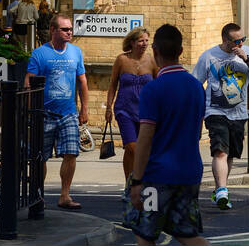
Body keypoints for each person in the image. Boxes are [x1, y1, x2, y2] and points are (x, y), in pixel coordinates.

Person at [123, 24, 209, 246]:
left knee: (145, 233)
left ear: (155, 50)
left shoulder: (154, 89)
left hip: (156, 178)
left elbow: (145, 138)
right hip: (189, 173)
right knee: (186, 232)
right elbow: (198, 132)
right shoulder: (196, 87)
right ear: (181, 51)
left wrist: (137, 180)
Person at [193, 22, 249, 210]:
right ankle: (222, 192)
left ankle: (219, 189)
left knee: (231, 154)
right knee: (220, 151)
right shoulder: (209, 56)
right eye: (236, 41)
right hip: (215, 111)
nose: (240, 44)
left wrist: (248, 59)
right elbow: (195, 83)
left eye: (242, 40)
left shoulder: (248, 52)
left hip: (239, 113)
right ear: (225, 40)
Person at [24, 13, 89, 210]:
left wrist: (84, 109)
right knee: (40, 157)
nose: (70, 32)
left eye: (70, 29)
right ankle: (38, 195)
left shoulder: (75, 52)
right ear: (53, 30)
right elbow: (28, 81)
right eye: (65, 29)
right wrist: (30, 109)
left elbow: (83, 81)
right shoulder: (39, 54)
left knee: (71, 153)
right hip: (44, 114)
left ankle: (64, 195)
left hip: (68, 113)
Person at [104, 26, 158, 183]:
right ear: (132, 42)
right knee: (131, 147)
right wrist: (108, 107)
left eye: (147, 40)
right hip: (124, 110)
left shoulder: (152, 61)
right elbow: (113, 84)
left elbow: (159, 85)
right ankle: (132, 182)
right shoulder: (122, 60)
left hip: (146, 111)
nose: (144, 43)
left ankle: (134, 181)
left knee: (138, 150)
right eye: (141, 40)